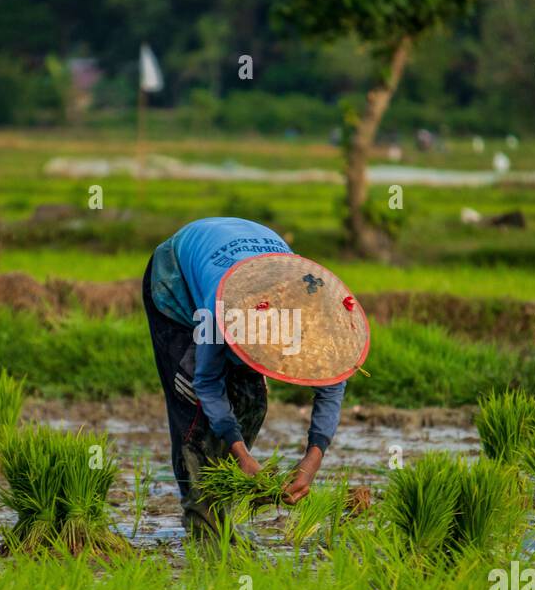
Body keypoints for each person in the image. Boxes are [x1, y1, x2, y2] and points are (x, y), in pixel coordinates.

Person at [142, 217, 370, 536]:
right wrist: (242, 455)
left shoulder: (314, 318)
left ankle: (227, 491)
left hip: (248, 251)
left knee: (251, 398)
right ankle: (202, 520)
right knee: (191, 399)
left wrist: (312, 460)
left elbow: (331, 388)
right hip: (176, 276)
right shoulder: (218, 312)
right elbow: (206, 382)